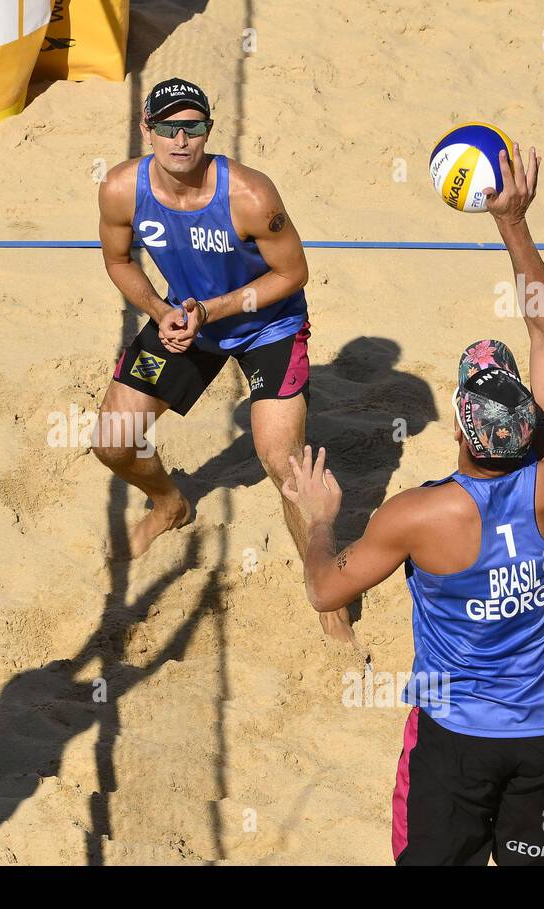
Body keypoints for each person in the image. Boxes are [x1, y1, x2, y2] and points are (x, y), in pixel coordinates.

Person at [283, 144, 544, 865]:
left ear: (459, 427)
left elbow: (326, 586)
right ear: (534, 419)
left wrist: (321, 520)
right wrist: (513, 223)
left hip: (456, 745)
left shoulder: (416, 518)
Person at [92, 77, 355, 642]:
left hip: (267, 325)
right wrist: (161, 310)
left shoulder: (251, 195)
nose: (180, 139)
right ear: (147, 130)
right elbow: (118, 262)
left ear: (209, 132)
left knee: (281, 465)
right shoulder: (120, 189)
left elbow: (293, 274)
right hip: (186, 322)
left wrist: (210, 310)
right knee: (112, 441)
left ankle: (328, 593)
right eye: (167, 127)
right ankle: (169, 505)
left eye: (192, 127)